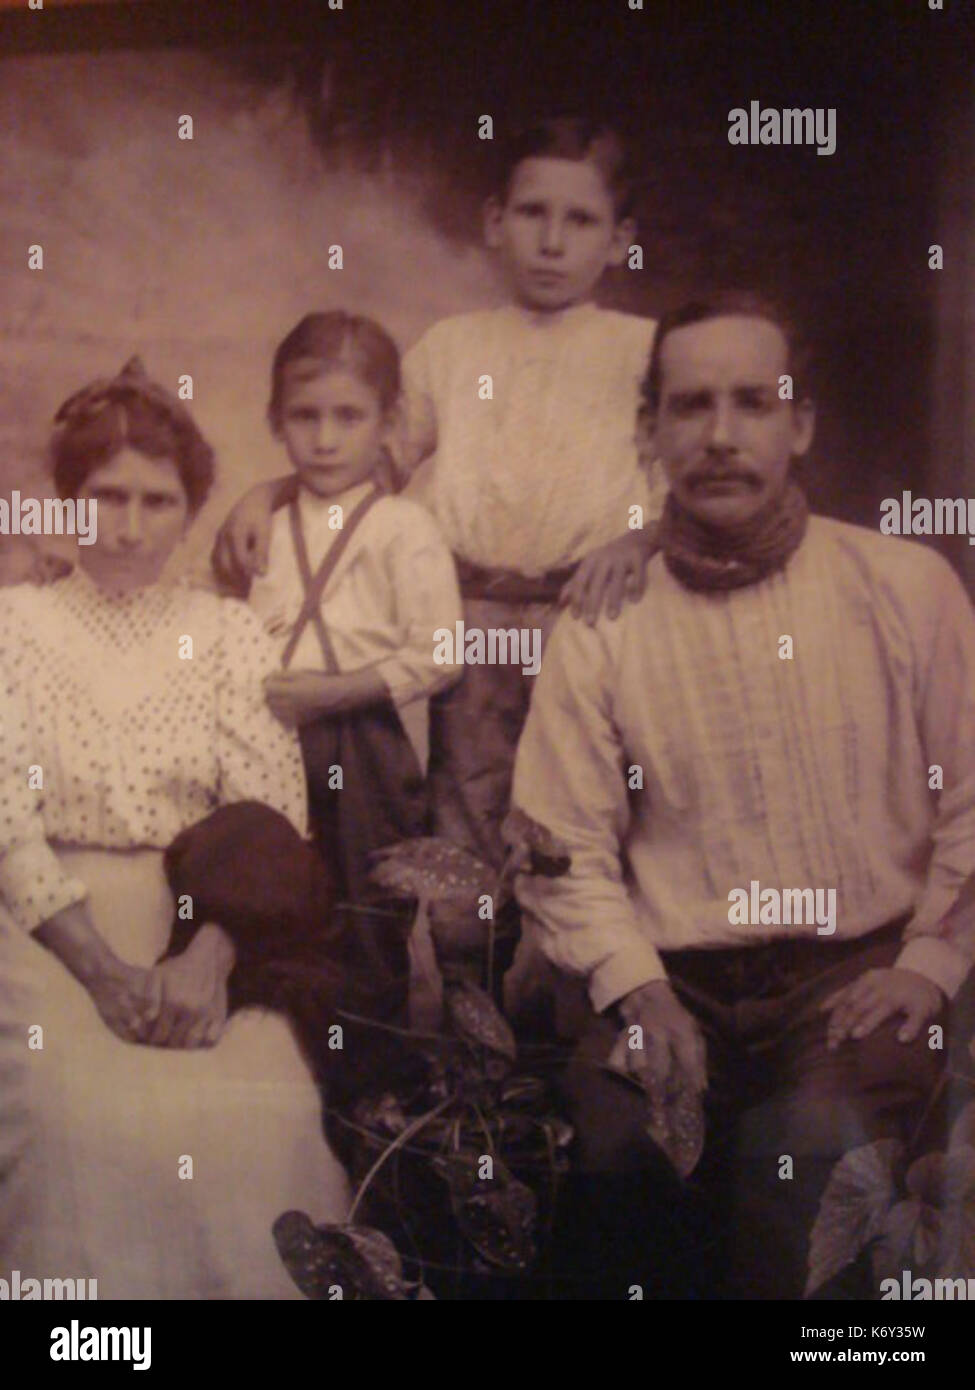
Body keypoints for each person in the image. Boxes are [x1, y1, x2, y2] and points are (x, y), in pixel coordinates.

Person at [509, 292, 975, 1299]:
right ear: (650, 432)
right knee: (618, 1148)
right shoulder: (604, 617)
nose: (721, 436)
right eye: (691, 407)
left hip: (855, 973)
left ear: (799, 425)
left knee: (809, 1155)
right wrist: (640, 990)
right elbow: (558, 844)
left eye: (754, 403)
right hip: (672, 976)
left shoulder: (905, 585)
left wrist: (931, 960)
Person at [212, 117, 666, 989]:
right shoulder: (454, 348)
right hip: (477, 617)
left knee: (599, 809)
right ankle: (473, 1044)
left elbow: (683, 486)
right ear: (494, 221)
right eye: (531, 213)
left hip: (599, 615)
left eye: (578, 220)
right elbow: (364, 464)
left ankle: (588, 1035)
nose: (550, 239)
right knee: (467, 823)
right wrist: (265, 491)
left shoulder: (640, 351)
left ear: (620, 240)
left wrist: (639, 537)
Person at [0, 359, 350, 1300]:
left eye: (157, 501)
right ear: (65, 504)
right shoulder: (12, 625)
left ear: (189, 510)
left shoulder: (228, 634)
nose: (127, 524)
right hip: (44, 925)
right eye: (105, 496)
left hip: (203, 918)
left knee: (259, 1104)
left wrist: (206, 960)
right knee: (80, 1116)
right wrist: (103, 975)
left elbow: (271, 821)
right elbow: (5, 826)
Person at [249, 309, 464, 1021]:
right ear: (276, 419)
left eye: (349, 416)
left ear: (388, 420)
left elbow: (441, 653)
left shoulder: (405, 527)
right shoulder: (264, 525)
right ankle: (291, 1061)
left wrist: (335, 695)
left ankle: (373, 1073)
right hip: (271, 738)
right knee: (276, 896)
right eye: (304, 416)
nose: (325, 437)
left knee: (369, 906)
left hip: (363, 740)